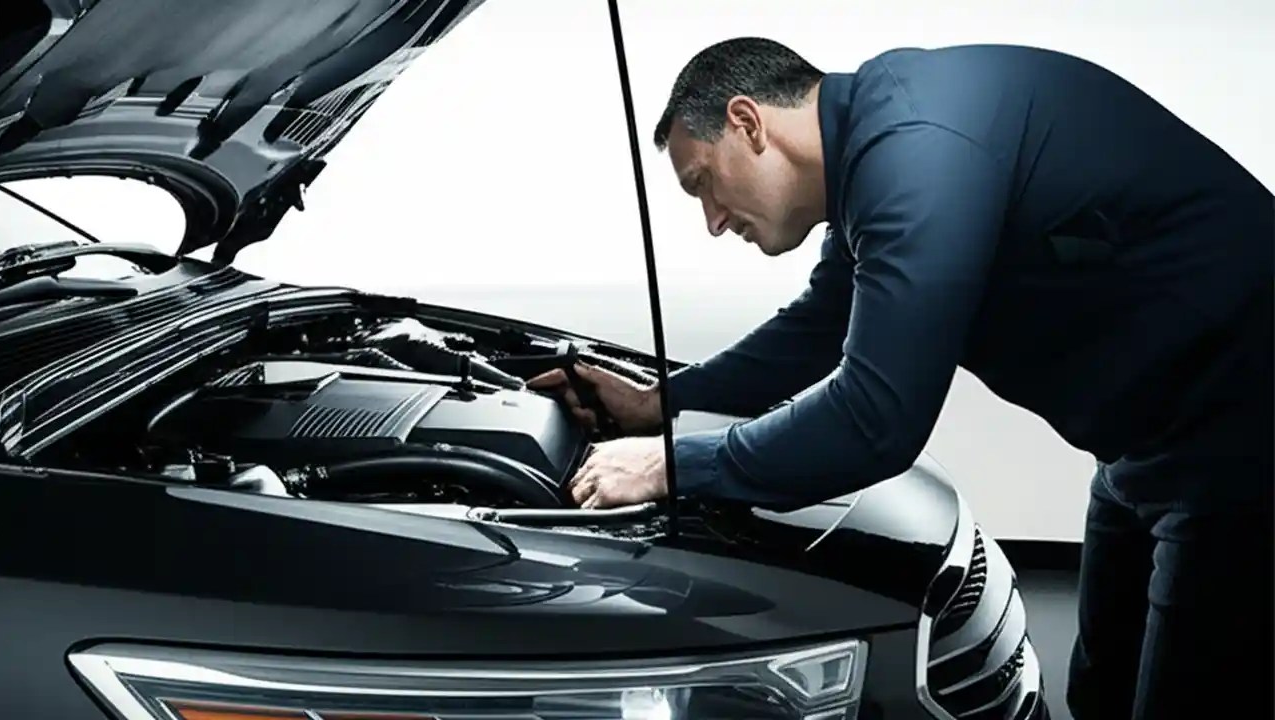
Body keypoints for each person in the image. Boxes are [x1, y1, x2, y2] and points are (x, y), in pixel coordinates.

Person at [527, 38, 1272, 718]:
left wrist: (672, 466)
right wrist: (661, 402)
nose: (714, 221)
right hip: (1147, 446)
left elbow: (875, 420)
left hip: (1238, 437)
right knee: (1102, 689)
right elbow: (812, 334)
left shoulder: (918, 152)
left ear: (749, 123)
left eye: (703, 184)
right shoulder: (878, 157)